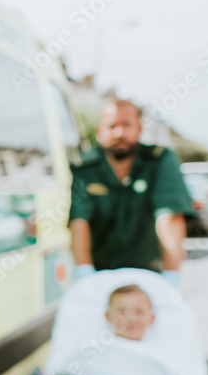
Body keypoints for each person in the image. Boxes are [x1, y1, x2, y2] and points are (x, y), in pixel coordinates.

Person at [69, 98, 195, 286]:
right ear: (99, 131)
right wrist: (84, 271)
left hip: (149, 271)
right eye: (111, 126)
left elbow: (169, 217)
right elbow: (79, 221)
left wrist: (171, 275)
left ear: (139, 128)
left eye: (126, 125)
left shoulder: (160, 160)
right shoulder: (84, 167)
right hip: (100, 272)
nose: (119, 133)